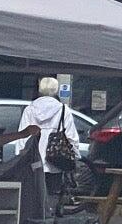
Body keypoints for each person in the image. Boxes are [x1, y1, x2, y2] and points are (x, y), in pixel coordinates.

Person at [20, 76, 80, 211]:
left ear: (40, 90)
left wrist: (21, 156)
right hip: (55, 160)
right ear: (56, 90)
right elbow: (71, 137)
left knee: (34, 192)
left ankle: (36, 217)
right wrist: (75, 155)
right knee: (53, 191)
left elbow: (22, 136)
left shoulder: (30, 109)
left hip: (34, 158)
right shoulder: (63, 110)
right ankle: (49, 215)